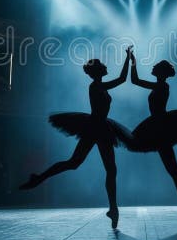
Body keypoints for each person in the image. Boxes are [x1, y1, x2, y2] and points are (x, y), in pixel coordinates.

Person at [18, 47, 133, 229]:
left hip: (100, 126)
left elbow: (120, 80)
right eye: (102, 66)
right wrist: (128, 58)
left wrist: (128, 59)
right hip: (97, 126)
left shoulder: (98, 85)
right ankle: (39, 178)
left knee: (91, 166)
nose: (105, 67)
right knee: (79, 164)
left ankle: (113, 208)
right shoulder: (95, 86)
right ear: (98, 71)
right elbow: (121, 79)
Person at [117, 51, 177, 228]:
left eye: (155, 66)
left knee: (174, 169)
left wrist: (133, 62)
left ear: (161, 72)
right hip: (158, 126)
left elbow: (136, 82)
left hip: (161, 127)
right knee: (173, 169)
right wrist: (133, 62)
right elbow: (135, 81)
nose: (152, 67)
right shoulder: (158, 86)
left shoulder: (162, 87)